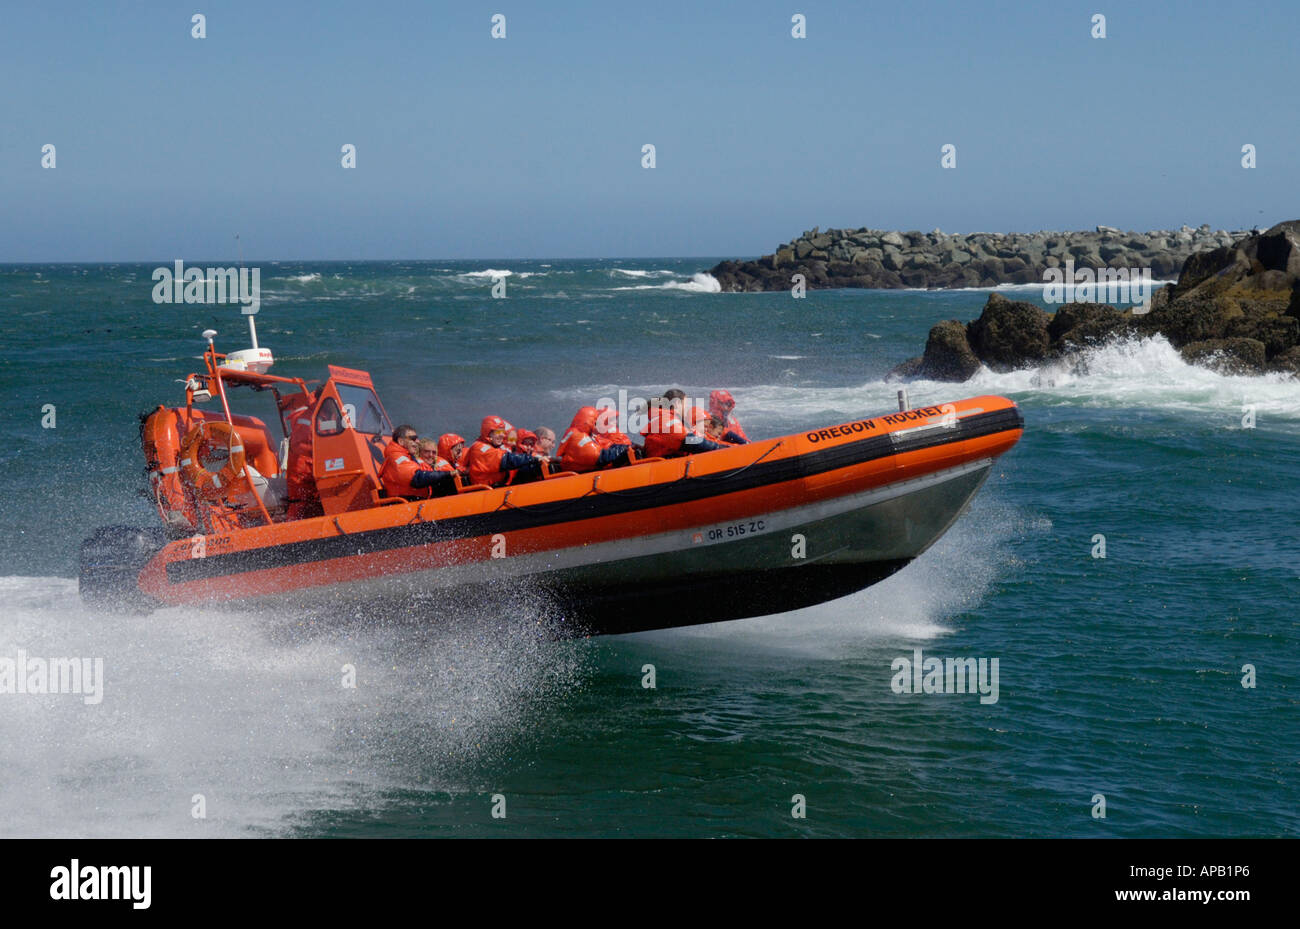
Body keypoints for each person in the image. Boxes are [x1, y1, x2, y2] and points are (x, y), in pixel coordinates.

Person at [460, 415, 545, 487]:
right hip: (488, 491)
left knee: (532, 469)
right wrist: (533, 459)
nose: (502, 435)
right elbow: (506, 460)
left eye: (503, 432)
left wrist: (537, 462)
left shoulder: (494, 447)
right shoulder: (480, 448)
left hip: (500, 486)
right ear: (488, 433)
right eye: (498, 432)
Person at [381, 425, 458, 499]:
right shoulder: (396, 458)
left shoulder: (408, 457)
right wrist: (448, 474)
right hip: (406, 502)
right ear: (401, 441)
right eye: (413, 439)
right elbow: (417, 479)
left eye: (417, 438)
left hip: (416, 498)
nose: (417, 441)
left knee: (450, 481)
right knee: (448, 479)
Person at [641, 397, 726, 459]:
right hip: (667, 468)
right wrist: (719, 448)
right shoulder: (665, 421)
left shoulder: (658, 423)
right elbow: (687, 440)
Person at [558, 407, 633, 472]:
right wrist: (624, 449)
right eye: (595, 422)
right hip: (584, 475)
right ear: (588, 421)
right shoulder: (578, 437)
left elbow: (606, 445)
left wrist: (624, 447)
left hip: (588, 471)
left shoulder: (581, 435)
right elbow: (600, 457)